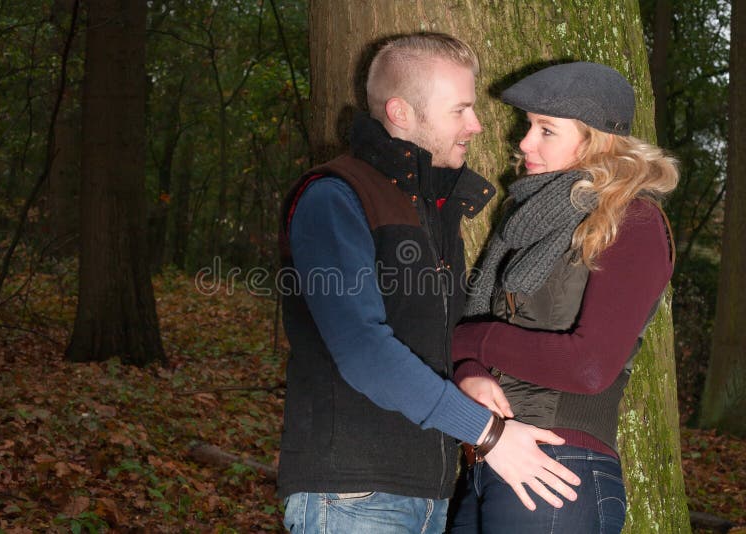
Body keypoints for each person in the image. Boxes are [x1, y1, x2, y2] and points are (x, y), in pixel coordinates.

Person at [277, 33, 581, 533]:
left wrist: (468, 374)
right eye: (460, 109)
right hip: (351, 494)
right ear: (400, 112)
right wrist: (488, 435)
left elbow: (431, 338)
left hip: (430, 494)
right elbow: (364, 349)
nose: (476, 125)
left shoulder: (435, 209)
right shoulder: (334, 197)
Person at [448, 61, 679, 533]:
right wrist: (470, 371)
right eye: (529, 126)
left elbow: (588, 366)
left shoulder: (632, 222)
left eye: (545, 130)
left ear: (597, 141)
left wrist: (475, 343)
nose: (524, 143)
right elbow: (469, 329)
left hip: (559, 472)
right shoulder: (524, 223)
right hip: (487, 461)